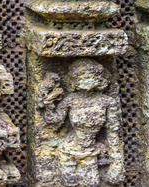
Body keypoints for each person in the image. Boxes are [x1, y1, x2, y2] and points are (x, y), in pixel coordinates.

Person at [37, 59, 125, 187]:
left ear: (98, 78)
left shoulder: (107, 102)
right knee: (69, 182)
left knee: (92, 182)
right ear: (74, 81)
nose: (85, 79)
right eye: (79, 76)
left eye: (89, 75)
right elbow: (54, 121)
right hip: (69, 150)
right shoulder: (70, 100)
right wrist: (48, 105)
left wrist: (116, 162)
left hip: (92, 149)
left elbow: (113, 132)